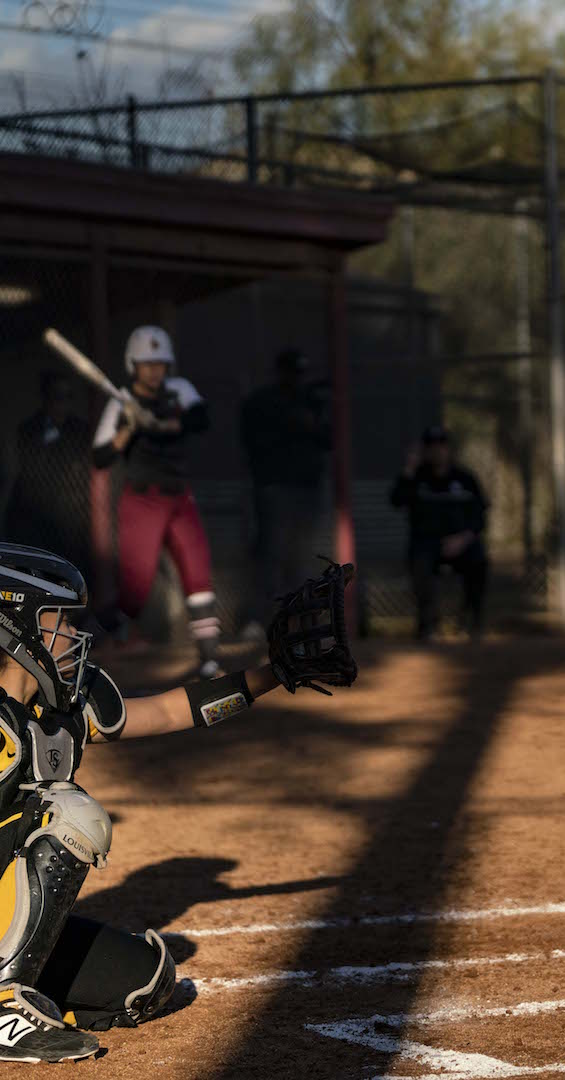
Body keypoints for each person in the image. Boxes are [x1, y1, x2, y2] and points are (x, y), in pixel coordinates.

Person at [0, 543, 358, 1061]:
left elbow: (170, 711)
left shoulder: (63, 710)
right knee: (69, 814)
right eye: (60, 622)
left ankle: (17, 988)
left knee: (146, 983)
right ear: (19, 630)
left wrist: (271, 676)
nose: (77, 636)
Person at [91, 327, 221, 677]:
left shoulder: (179, 390)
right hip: (142, 500)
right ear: (133, 365)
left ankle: (209, 661)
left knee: (198, 572)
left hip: (179, 496)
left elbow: (200, 419)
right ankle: (88, 639)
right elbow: (101, 456)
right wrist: (128, 429)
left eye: (160, 364)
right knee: (136, 588)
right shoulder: (120, 399)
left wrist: (163, 422)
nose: (154, 371)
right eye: (146, 364)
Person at [240, 348, 332, 627]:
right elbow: (251, 441)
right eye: (291, 372)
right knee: (271, 553)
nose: (296, 379)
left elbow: (329, 438)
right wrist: (291, 424)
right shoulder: (263, 402)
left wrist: (310, 424)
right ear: (279, 372)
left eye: (300, 373)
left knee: (301, 555)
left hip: (306, 488)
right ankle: (261, 619)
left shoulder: (312, 401)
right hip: (274, 488)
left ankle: (296, 620)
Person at [389, 426, 490, 639]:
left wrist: (463, 539)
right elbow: (397, 500)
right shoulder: (416, 477)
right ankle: (427, 625)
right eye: (431, 447)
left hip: (461, 543)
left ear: (449, 449)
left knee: (479, 558)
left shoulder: (465, 479)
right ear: (425, 450)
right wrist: (409, 469)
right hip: (426, 544)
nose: (437, 451)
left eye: (441, 446)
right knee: (419, 562)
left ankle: (472, 622)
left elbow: (480, 517)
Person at [2, 373, 92, 571]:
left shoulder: (80, 431)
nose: (61, 403)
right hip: (36, 508)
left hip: (70, 510)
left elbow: (80, 468)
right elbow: (28, 467)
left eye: (67, 396)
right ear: (45, 398)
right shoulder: (29, 430)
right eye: (56, 396)